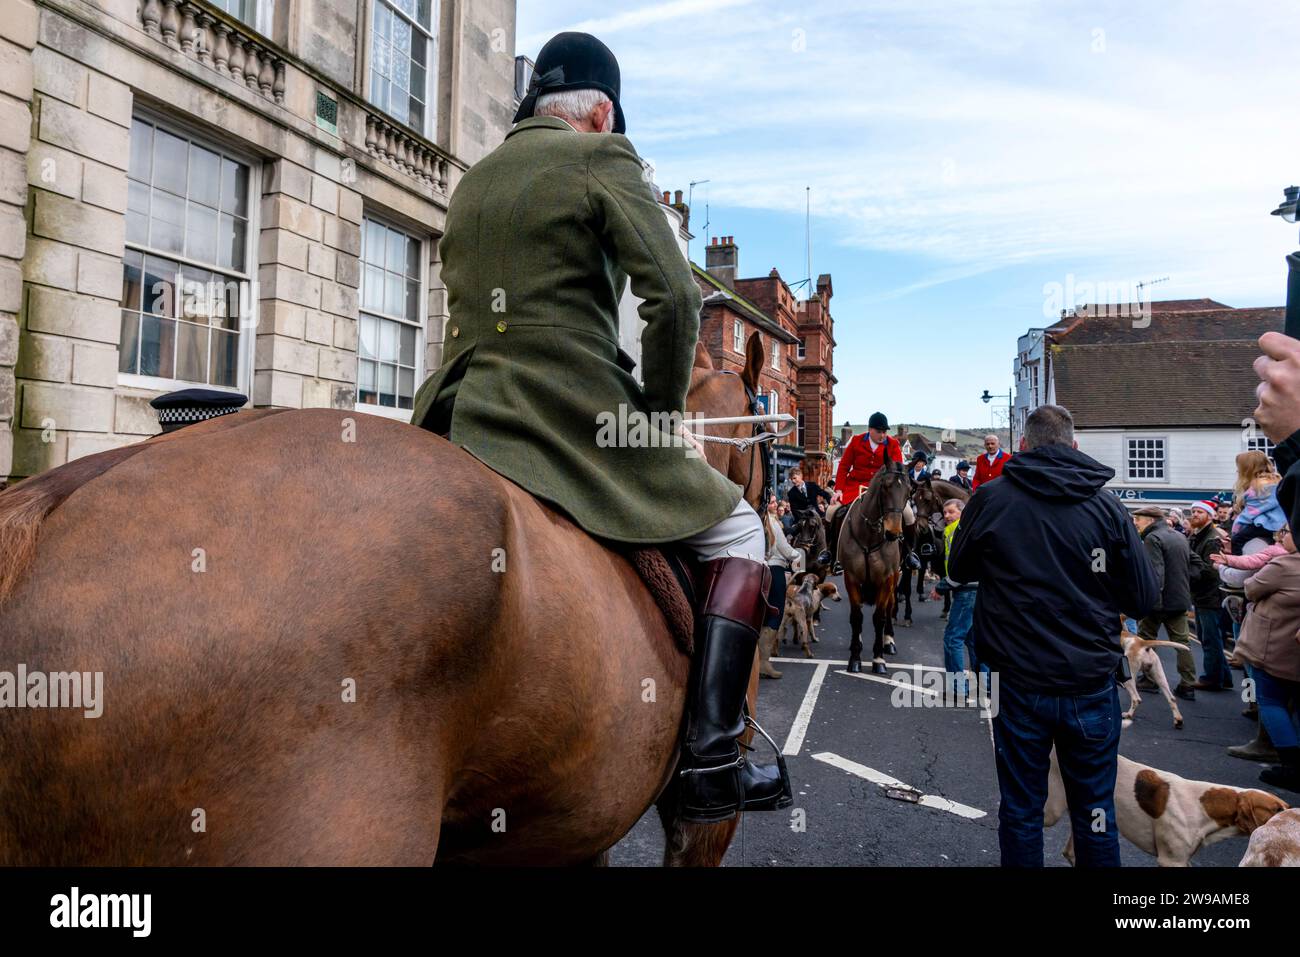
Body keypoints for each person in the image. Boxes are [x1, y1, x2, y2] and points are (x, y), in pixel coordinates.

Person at [409, 32, 789, 822]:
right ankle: (716, 757)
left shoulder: (474, 180)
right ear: (602, 113)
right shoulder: (602, 159)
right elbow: (677, 301)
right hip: (569, 411)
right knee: (742, 531)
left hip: (456, 412)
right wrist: (654, 412)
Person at [949, 404, 1157, 868]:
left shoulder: (992, 497)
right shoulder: (1107, 505)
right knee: (1096, 812)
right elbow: (1144, 596)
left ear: (1022, 445)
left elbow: (957, 568)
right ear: (1074, 446)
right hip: (1090, 679)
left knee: (1022, 808)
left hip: (1017, 681)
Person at [1234, 525, 1300, 793]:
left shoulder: (1285, 565)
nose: (1282, 536)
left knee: (1269, 700)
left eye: (1287, 531)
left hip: (1273, 646)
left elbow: (1250, 587)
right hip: (1293, 650)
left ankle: (1290, 763)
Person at [1132, 506, 1197, 700]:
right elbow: (1197, 564)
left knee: (1145, 641)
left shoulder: (1153, 538)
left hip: (1158, 602)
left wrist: (1147, 599)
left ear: (1150, 520)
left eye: (1139, 519)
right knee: (1182, 643)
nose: (1136, 522)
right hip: (1179, 599)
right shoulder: (1179, 536)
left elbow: (1155, 574)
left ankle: (1149, 680)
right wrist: (1183, 582)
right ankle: (1188, 685)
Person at [829, 412, 910, 567]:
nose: (882, 435)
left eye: (884, 432)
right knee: (832, 512)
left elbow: (898, 470)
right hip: (855, 487)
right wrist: (839, 490)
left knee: (909, 514)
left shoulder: (892, 444)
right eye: (879, 432)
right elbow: (844, 466)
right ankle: (832, 553)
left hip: (883, 490)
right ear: (870, 430)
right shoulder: (857, 441)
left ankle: (908, 554)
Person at [938, 498, 983, 700]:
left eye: (951, 512)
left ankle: (958, 689)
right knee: (972, 639)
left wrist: (944, 584)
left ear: (962, 513)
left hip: (966, 589)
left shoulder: (961, 531)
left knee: (952, 639)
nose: (947, 516)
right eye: (945, 512)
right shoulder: (955, 530)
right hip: (971, 589)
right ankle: (986, 684)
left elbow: (962, 564)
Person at [1186, 500, 1231, 692]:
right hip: (1203, 595)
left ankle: (1211, 678)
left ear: (1210, 516)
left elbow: (1211, 571)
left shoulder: (1211, 539)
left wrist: (1187, 573)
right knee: (1210, 638)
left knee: (1210, 639)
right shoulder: (1198, 536)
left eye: (1199, 512)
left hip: (1210, 596)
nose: (1195, 514)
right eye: (1193, 511)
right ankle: (1225, 678)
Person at [1230, 451, 1284, 556]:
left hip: (1267, 524)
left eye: (1239, 468)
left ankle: (1237, 565)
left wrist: (1235, 530)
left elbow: (1249, 515)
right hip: (1279, 524)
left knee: (1237, 540)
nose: (1237, 471)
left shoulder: (1257, 487)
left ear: (1247, 469)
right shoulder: (1276, 480)